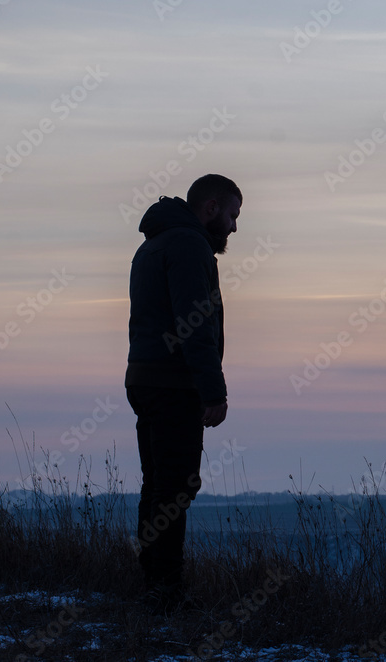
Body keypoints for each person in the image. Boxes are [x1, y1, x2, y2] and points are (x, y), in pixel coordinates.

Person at [125, 174, 241, 614]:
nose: (233, 227)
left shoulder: (152, 245)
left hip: (144, 378)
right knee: (175, 488)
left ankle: (153, 584)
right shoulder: (189, 247)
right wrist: (213, 391)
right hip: (174, 383)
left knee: (158, 484)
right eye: (231, 215)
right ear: (210, 207)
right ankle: (166, 592)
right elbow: (196, 326)